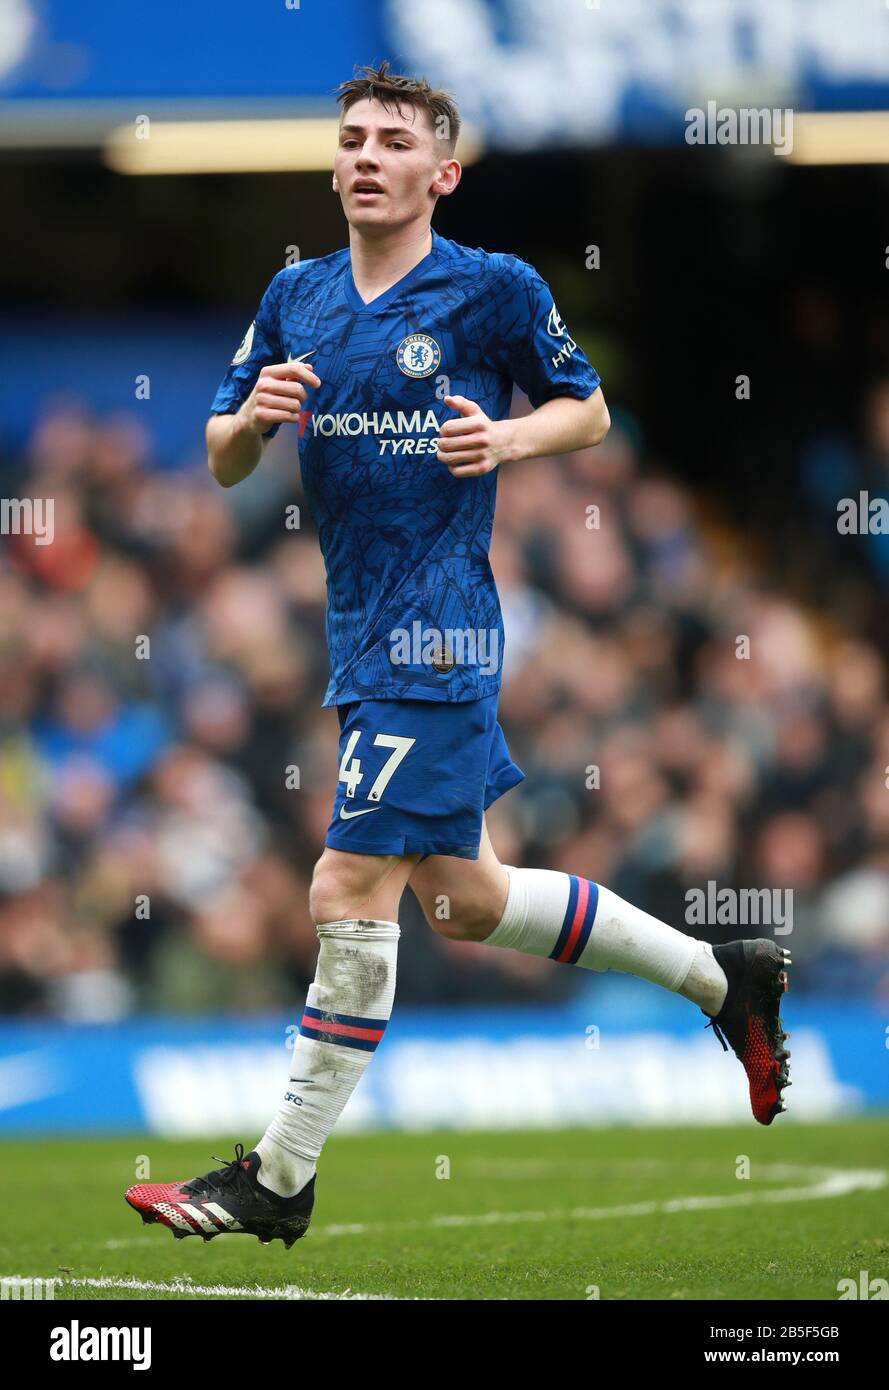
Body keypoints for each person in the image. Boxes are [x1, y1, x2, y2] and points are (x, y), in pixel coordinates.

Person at [126, 61, 791, 1250]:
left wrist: (510, 435)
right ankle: (721, 975)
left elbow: (583, 406)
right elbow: (222, 454)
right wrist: (253, 422)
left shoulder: (492, 290)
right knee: (466, 899)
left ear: (442, 173)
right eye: (349, 138)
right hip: (356, 640)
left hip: (437, 638)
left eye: (391, 140)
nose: (364, 156)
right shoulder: (296, 300)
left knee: (345, 888)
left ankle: (280, 1175)